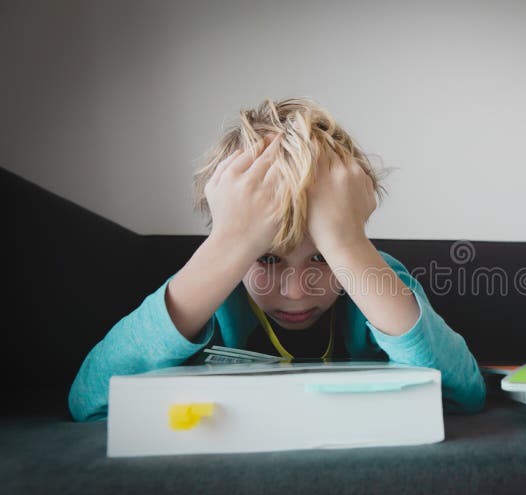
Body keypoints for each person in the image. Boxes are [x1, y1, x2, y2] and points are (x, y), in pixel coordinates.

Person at [68, 97, 486, 422]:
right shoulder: (215, 284)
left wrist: (349, 247)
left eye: (321, 259)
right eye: (266, 259)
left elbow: (464, 394)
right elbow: (89, 402)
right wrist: (229, 244)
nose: (296, 292)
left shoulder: (374, 276)